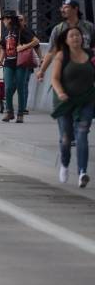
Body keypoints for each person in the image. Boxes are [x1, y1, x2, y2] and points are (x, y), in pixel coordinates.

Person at [49, 25, 94, 188]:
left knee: (82, 133)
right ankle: (65, 164)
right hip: (65, 102)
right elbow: (54, 79)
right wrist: (60, 92)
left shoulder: (90, 55)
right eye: (71, 36)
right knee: (66, 138)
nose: (75, 38)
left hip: (86, 100)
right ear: (66, 40)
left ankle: (82, 172)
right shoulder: (62, 55)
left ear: (82, 38)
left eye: (77, 35)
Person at [0, 10, 38, 123]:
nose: (3, 22)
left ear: (9, 19)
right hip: (8, 63)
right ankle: (9, 112)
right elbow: (1, 48)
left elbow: (36, 41)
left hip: (20, 63)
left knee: (20, 88)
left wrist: (23, 47)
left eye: (4, 19)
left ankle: (20, 113)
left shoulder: (22, 30)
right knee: (7, 88)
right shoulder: (7, 32)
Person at [39, 0, 95, 83]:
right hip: (66, 71)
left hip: (86, 70)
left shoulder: (89, 27)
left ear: (75, 9)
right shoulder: (58, 29)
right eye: (62, 8)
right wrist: (42, 71)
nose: (63, 10)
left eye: (66, 7)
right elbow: (51, 52)